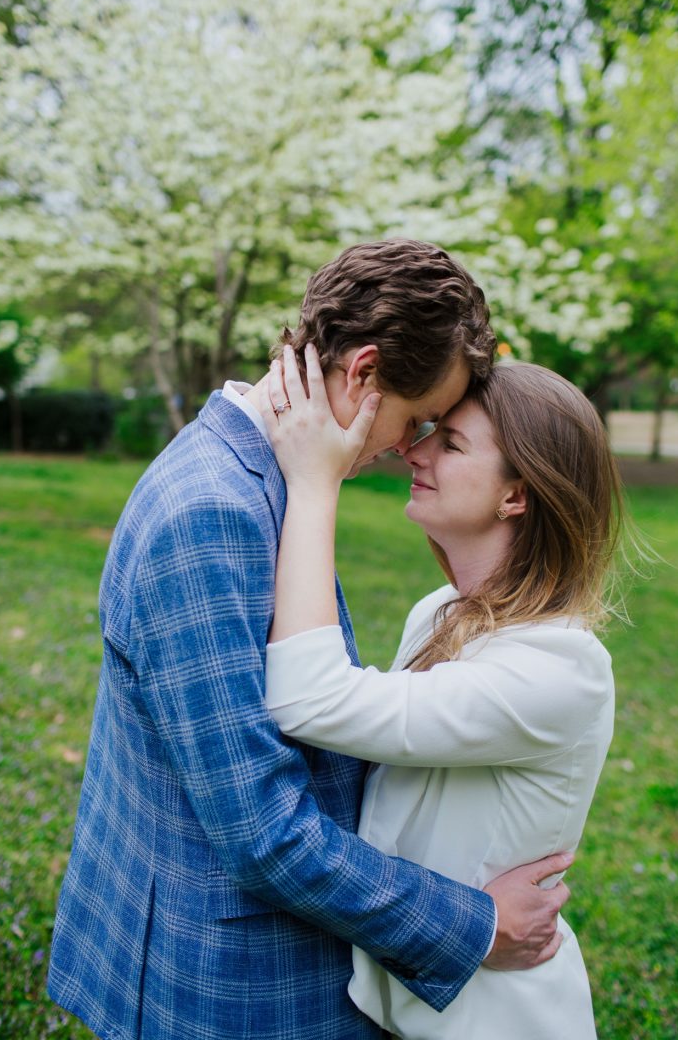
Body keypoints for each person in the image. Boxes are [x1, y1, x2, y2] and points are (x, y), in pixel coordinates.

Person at [48, 239, 572, 1040]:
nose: (408, 446)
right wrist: (471, 924)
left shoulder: (270, 480)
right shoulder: (212, 512)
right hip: (229, 982)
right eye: (414, 418)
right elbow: (262, 834)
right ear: (362, 372)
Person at [263, 345, 624, 1039]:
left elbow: (312, 700)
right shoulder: (438, 612)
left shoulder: (559, 666)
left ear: (516, 494)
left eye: (450, 442)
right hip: (398, 996)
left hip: (489, 1018)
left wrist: (315, 484)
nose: (415, 453)